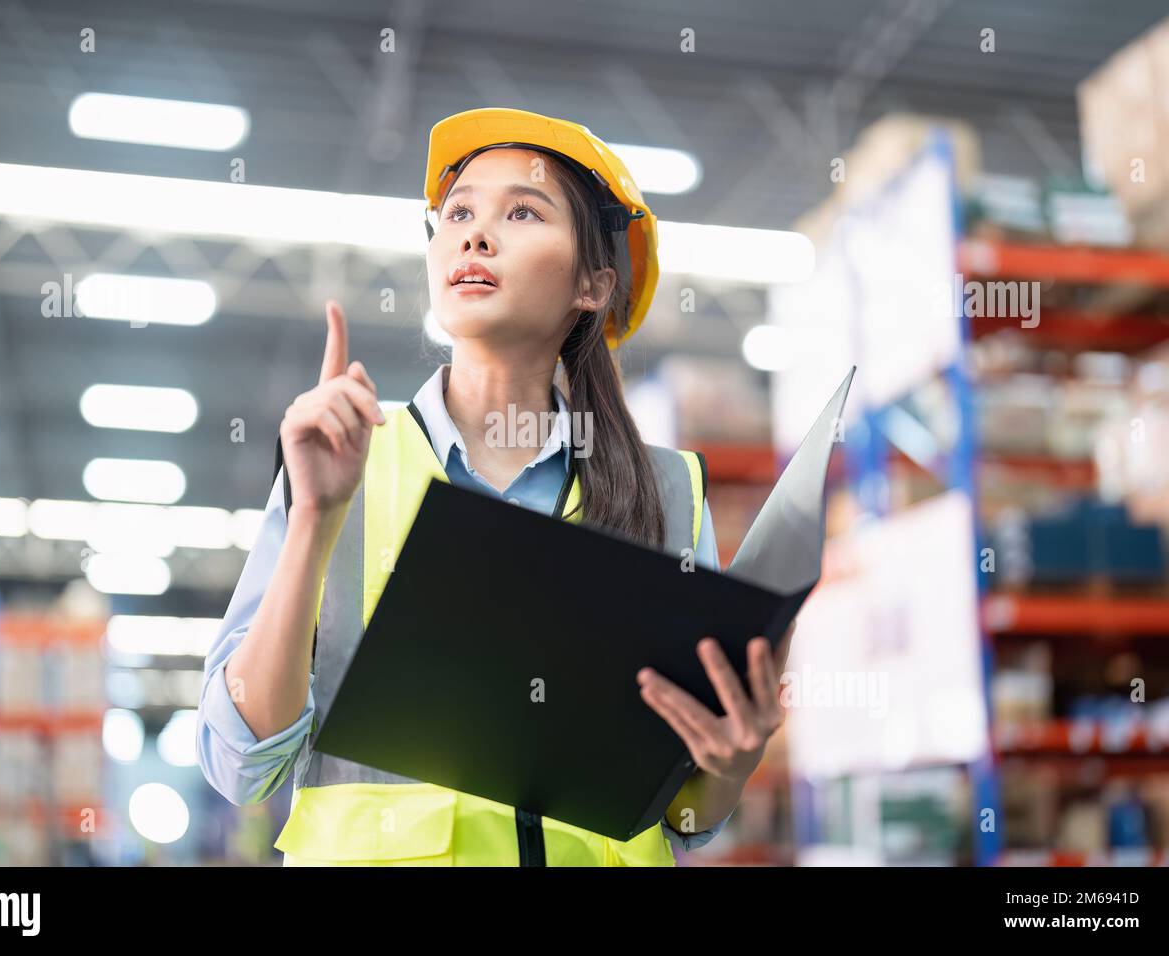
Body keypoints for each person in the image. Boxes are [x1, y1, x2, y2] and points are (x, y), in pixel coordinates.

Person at [197, 107, 795, 866]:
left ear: (591, 283)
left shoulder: (669, 495)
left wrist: (732, 761)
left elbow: (682, 815)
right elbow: (238, 764)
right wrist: (314, 517)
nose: (475, 235)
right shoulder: (342, 461)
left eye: (522, 210)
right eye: (458, 212)